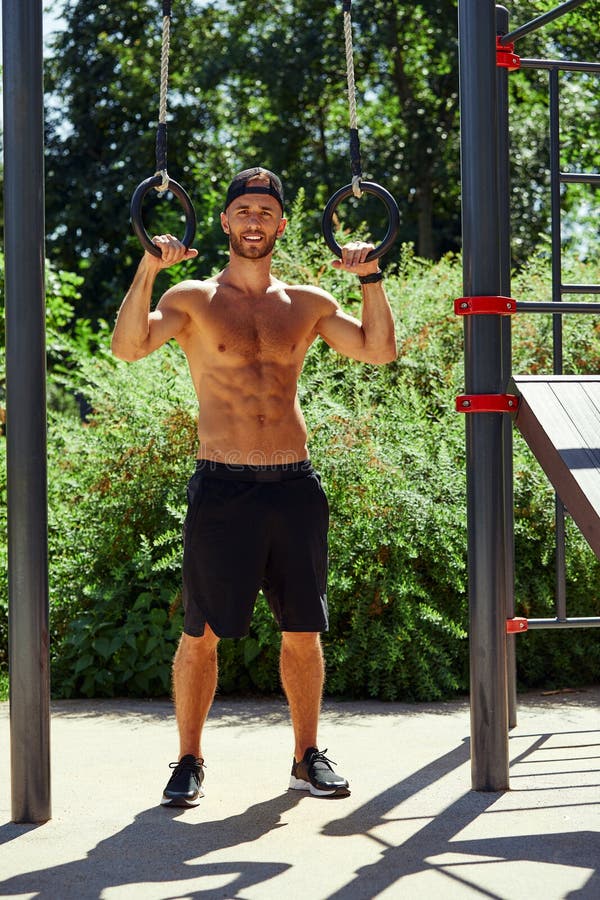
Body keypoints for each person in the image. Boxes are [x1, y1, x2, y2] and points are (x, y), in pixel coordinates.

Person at [111, 166, 397, 807]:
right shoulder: (192, 298)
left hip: (294, 487)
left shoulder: (308, 303)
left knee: (303, 630)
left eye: (265, 212)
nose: (253, 221)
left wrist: (371, 276)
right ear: (223, 221)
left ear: (282, 224)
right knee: (200, 633)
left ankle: (306, 757)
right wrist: (149, 267)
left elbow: (378, 351)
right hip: (223, 488)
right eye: (243, 210)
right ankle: (188, 759)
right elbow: (127, 348)